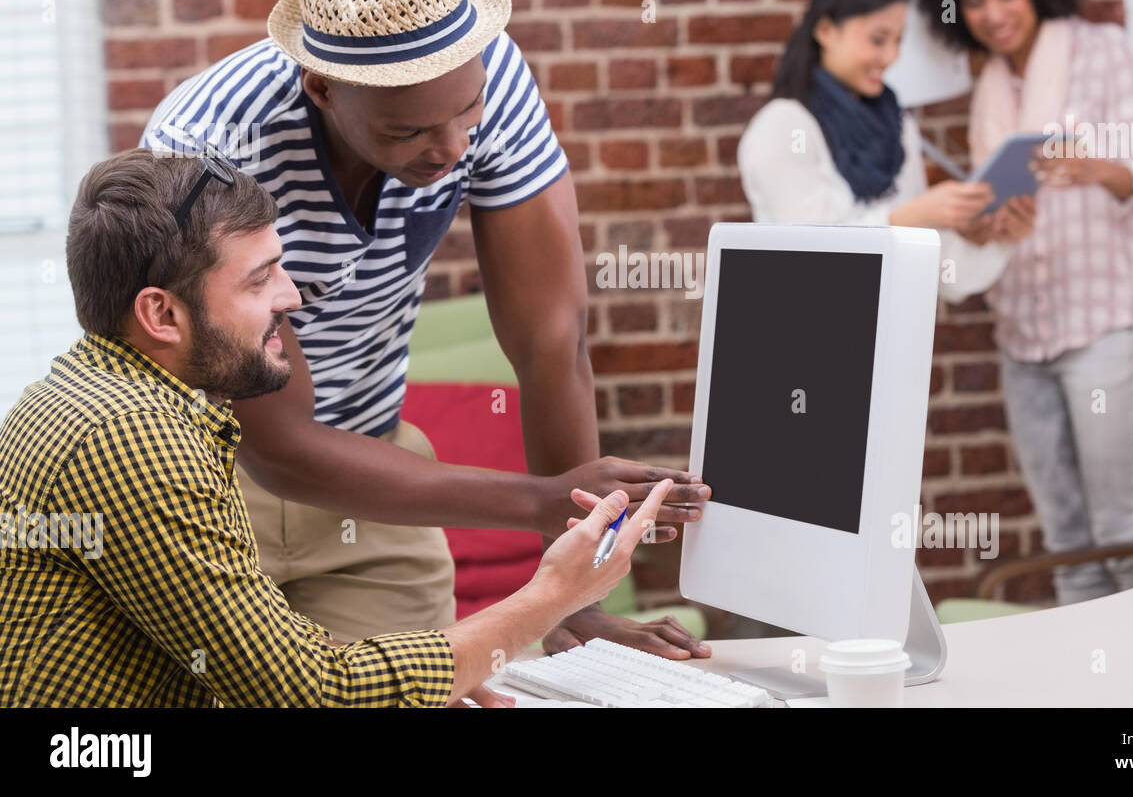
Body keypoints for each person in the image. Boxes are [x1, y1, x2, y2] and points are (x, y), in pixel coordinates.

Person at [141, 0, 711, 658]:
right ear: (321, 88)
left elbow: (552, 341)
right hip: (201, 496)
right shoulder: (208, 150)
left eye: (464, 114)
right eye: (405, 132)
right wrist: (540, 501)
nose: (448, 150)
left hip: (375, 477)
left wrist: (576, 597)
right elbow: (279, 445)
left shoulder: (488, 75)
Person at [0, 149, 674, 707]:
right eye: (259, 280)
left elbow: (259, 657)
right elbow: (316, 695)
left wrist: (436, 672)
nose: (290, 297)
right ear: (162, 315)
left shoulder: (86, 396)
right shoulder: (134, 438)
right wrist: (554, 594)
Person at [914, 0, 1133, 603]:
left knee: (1125, 537)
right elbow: (994, 224)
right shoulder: (990, 88)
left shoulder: (1103, 52)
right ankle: (1092, 670)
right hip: (1023, 337)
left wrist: (1093, 167)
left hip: (1107, 327)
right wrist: (982, 221)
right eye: (974, 1)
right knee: (1069, 548)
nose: (994, 13)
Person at [737, 0, 1036, 300]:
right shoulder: (785, 126)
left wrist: (996, 237)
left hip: (898, 328)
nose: (892, 56)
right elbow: (810, 260)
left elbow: (942, 276)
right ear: (825, 30)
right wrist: (911, 217)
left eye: (898, 41)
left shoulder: (898, 126)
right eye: (878, 40)